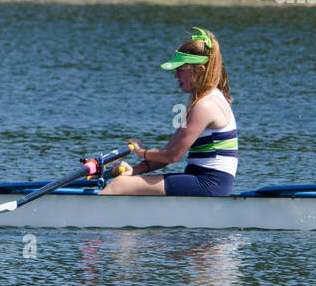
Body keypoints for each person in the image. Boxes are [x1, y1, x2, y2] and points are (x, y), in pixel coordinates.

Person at [102, 28, 237, 196]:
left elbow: (172, 156)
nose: (175, 76)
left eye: (180, 70)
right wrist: (134, 170)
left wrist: (140, 151)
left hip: (209, 183)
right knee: (124, 181)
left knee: (119, 185)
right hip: (200, 180)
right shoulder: (200, 100)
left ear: (200, 70)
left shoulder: (205, 105)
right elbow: (170, 151)